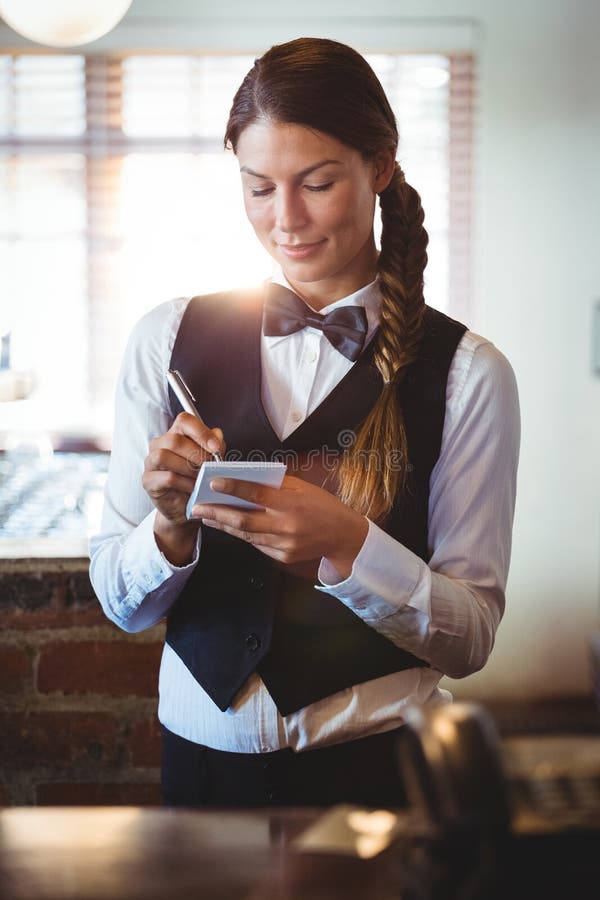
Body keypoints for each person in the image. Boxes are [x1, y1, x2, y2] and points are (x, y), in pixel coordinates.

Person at [89, 37, 520, 809]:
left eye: (317, 183)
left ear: (380, 165)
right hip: (199, 774)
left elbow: (472, 638)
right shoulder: (164, 340)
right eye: (258, 188)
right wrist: (168, 529)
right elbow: (122, 606)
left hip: (378, 773)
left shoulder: (469, 374)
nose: (285, 220)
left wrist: (347, 546)